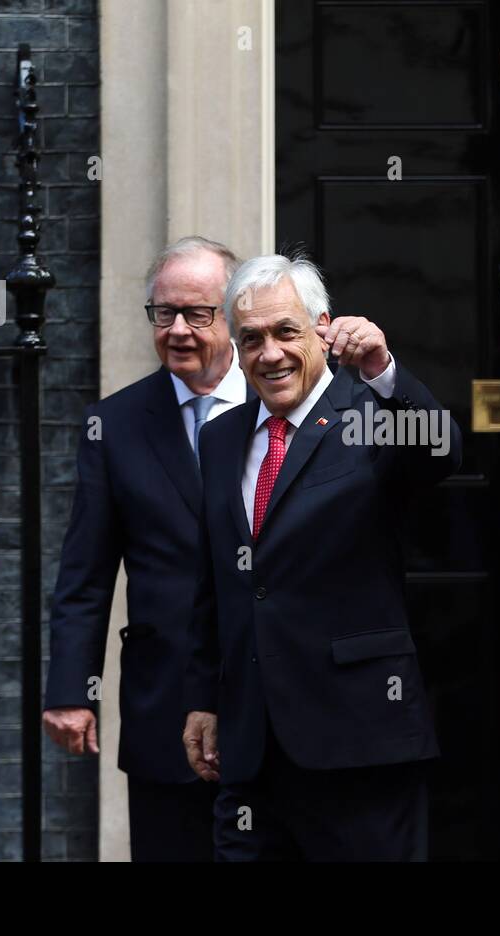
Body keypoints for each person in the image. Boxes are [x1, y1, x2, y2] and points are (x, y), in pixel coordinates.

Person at [181, 251, 461, 861]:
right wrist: (205, 698)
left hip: (358, 740)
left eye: (286, 332)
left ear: (324, 328)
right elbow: (217, 581)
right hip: (252, 746)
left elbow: (441, 451)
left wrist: (383, 370)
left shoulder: (370, 415)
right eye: (251, 339)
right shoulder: (221, 437)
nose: (270, 354)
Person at [43, 236, 253, 861]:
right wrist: (70, 691)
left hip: (271, 690)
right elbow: (85, 572)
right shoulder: (116, 425)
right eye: (166, 314)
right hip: (164, 700)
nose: (180, 330)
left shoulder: (281, 402)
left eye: (199, 313)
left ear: (234, 315)